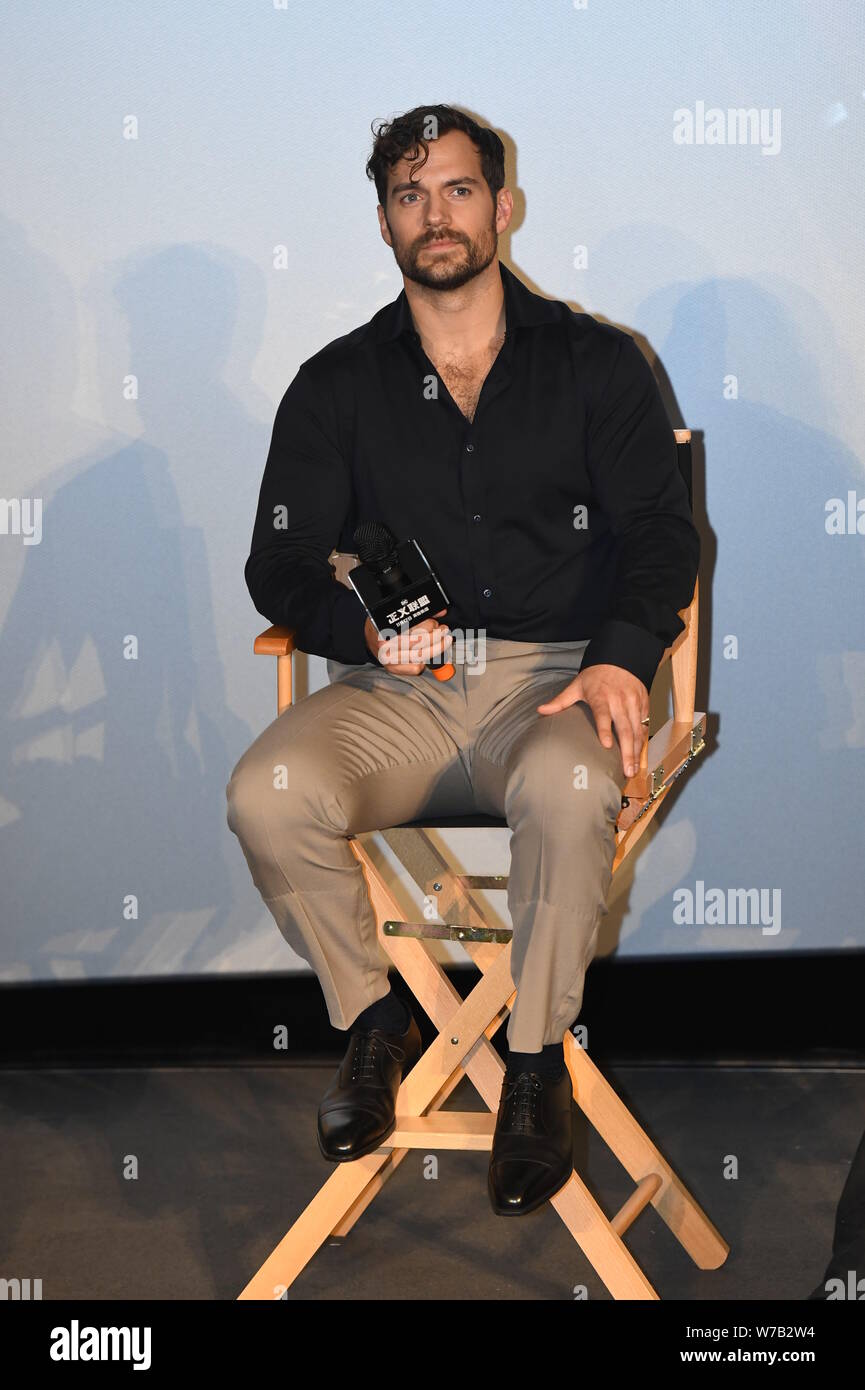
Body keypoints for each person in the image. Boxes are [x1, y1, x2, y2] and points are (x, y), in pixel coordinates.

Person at [226, 104, 700, 1216]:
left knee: (574, 781)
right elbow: (279, 565)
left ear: (503, 205)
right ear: (384, 225)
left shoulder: (598, 363)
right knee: (265, 790)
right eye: (407, 194)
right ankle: (373, 1023)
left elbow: (664, 538)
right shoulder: (334, 384)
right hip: (404, 691)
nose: (433, 214)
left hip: (558, 683)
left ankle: (533, 1062)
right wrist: (359, 633)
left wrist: (624, 659)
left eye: (455, 188)